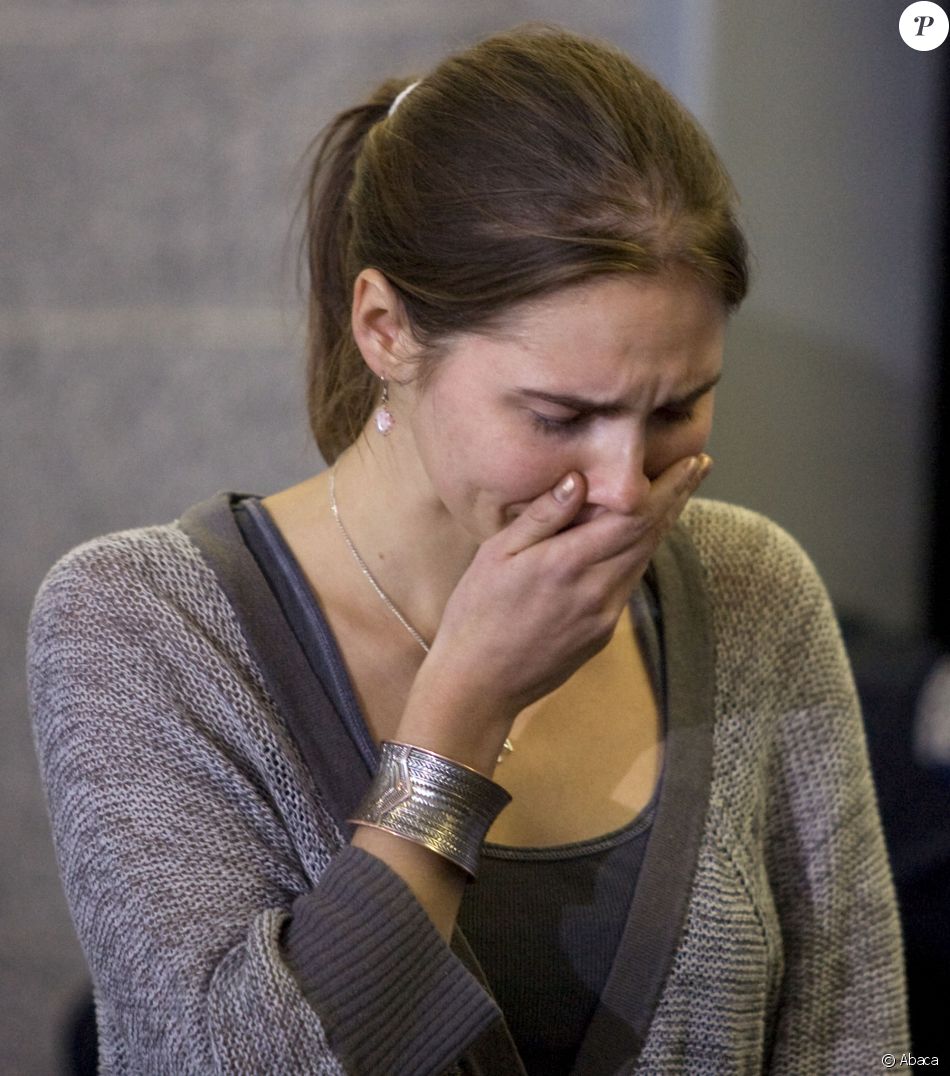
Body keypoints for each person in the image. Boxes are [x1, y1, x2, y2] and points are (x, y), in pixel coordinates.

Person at [27, 23, 909, 1075]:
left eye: (676, 406)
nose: (625, 485)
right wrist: (459, 721)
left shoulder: (747, 587)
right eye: (556, 414)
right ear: (385, 329)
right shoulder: (144, 621)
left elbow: (850, 1038)